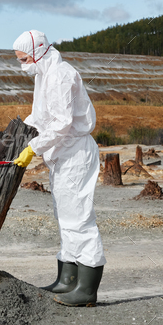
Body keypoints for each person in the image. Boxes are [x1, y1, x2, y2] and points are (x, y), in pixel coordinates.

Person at [12, 30, 106, 307]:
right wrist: (21, 133)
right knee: (65, 216)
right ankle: (67, 280)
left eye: (25, 58)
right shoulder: (44, 74)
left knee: (79, 218)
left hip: (75, 152)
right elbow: (41, 115)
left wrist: (34, 148)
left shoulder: (61, 75)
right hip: (62, 155)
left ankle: (87, 289)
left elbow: (62, 123)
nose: (23, 65)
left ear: (39, 51)